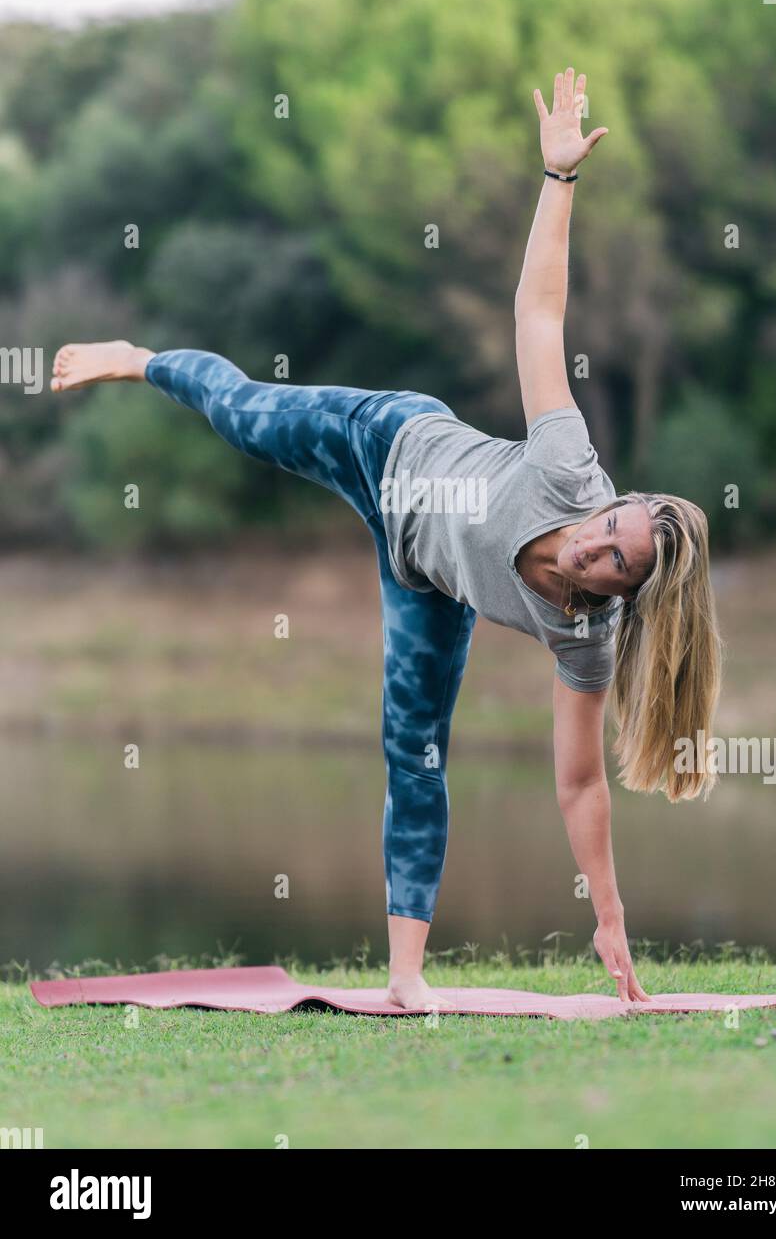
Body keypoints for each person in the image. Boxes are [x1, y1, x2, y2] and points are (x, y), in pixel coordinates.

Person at [51, 68, 722, 1011]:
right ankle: (140, 359)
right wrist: (559, 178)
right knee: (242, 414)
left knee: (416, 749)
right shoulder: (568, 465)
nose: (593, 547)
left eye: (616, 563)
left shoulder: (587, 637)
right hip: (387, 442)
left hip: (423, 573)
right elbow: (538, 313)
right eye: (611, 526)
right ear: (617, 500)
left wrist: (608, 916)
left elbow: (580, 785)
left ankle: (405, 973)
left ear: (627, 594)